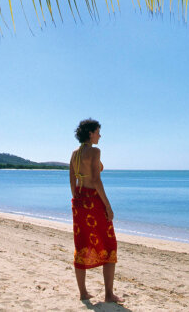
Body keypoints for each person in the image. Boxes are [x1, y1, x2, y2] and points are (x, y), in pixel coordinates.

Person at [70, 118, 121, 303]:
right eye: (98, 131)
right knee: (109, 244)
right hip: (93, 200)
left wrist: (77, 200)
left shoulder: (75, 154)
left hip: (79, 201)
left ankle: (83, 293)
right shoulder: (94, 150)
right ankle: (108, 294)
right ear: (90, 133)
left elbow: (72, 181)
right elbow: (97, 180)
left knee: (81, 244)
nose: (100, 135)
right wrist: (108, 205)